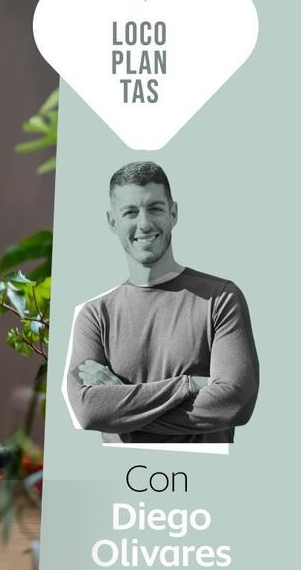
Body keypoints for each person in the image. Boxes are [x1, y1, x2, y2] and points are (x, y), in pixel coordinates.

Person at [65, 161, 259, 443]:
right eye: (130, 212)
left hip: (205, 481)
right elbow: (89, 412)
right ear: (111, 222)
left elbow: (235, 405)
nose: (144, 224)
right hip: (120, 479)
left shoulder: (221, 298)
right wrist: (188, 385)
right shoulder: (95, 315)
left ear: (173, 213)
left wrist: (120, 404)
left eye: (154, 208)